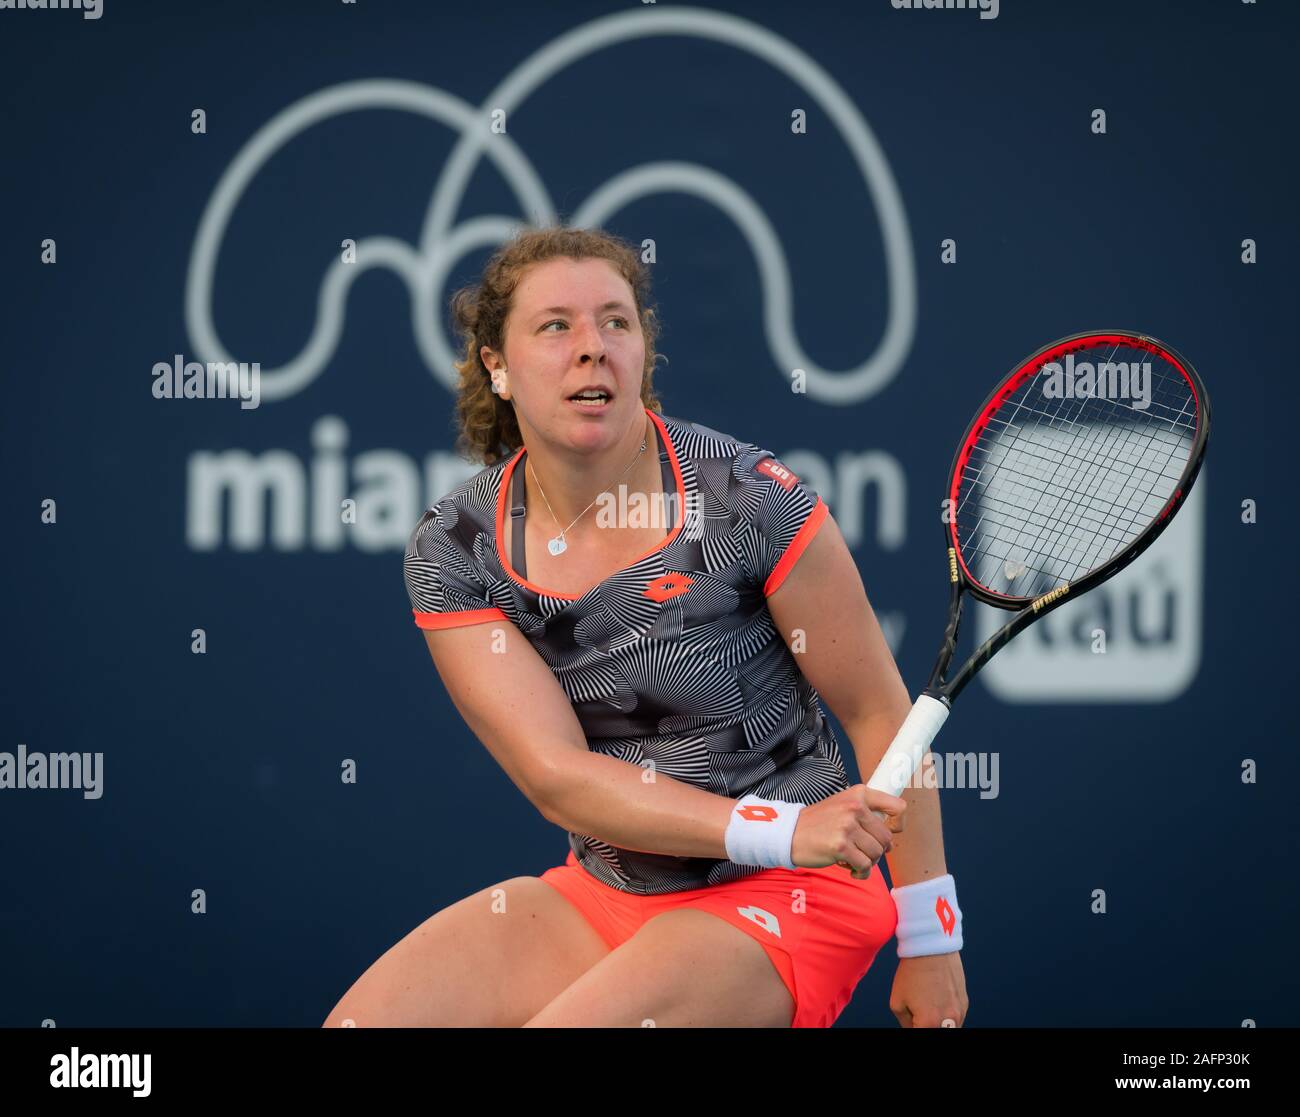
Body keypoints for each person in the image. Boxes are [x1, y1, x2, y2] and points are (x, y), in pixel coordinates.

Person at [323, 226, 968, 1028]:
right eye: (555, 325)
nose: (592, 348)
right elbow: (556, 776)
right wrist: (781, 830)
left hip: (798, 892)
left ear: (643, 353)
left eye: (616, 321)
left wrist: (930, 932)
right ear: (497, 365)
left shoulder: (750, 499)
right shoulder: (457, 545)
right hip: (613, 891)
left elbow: (878, 711)